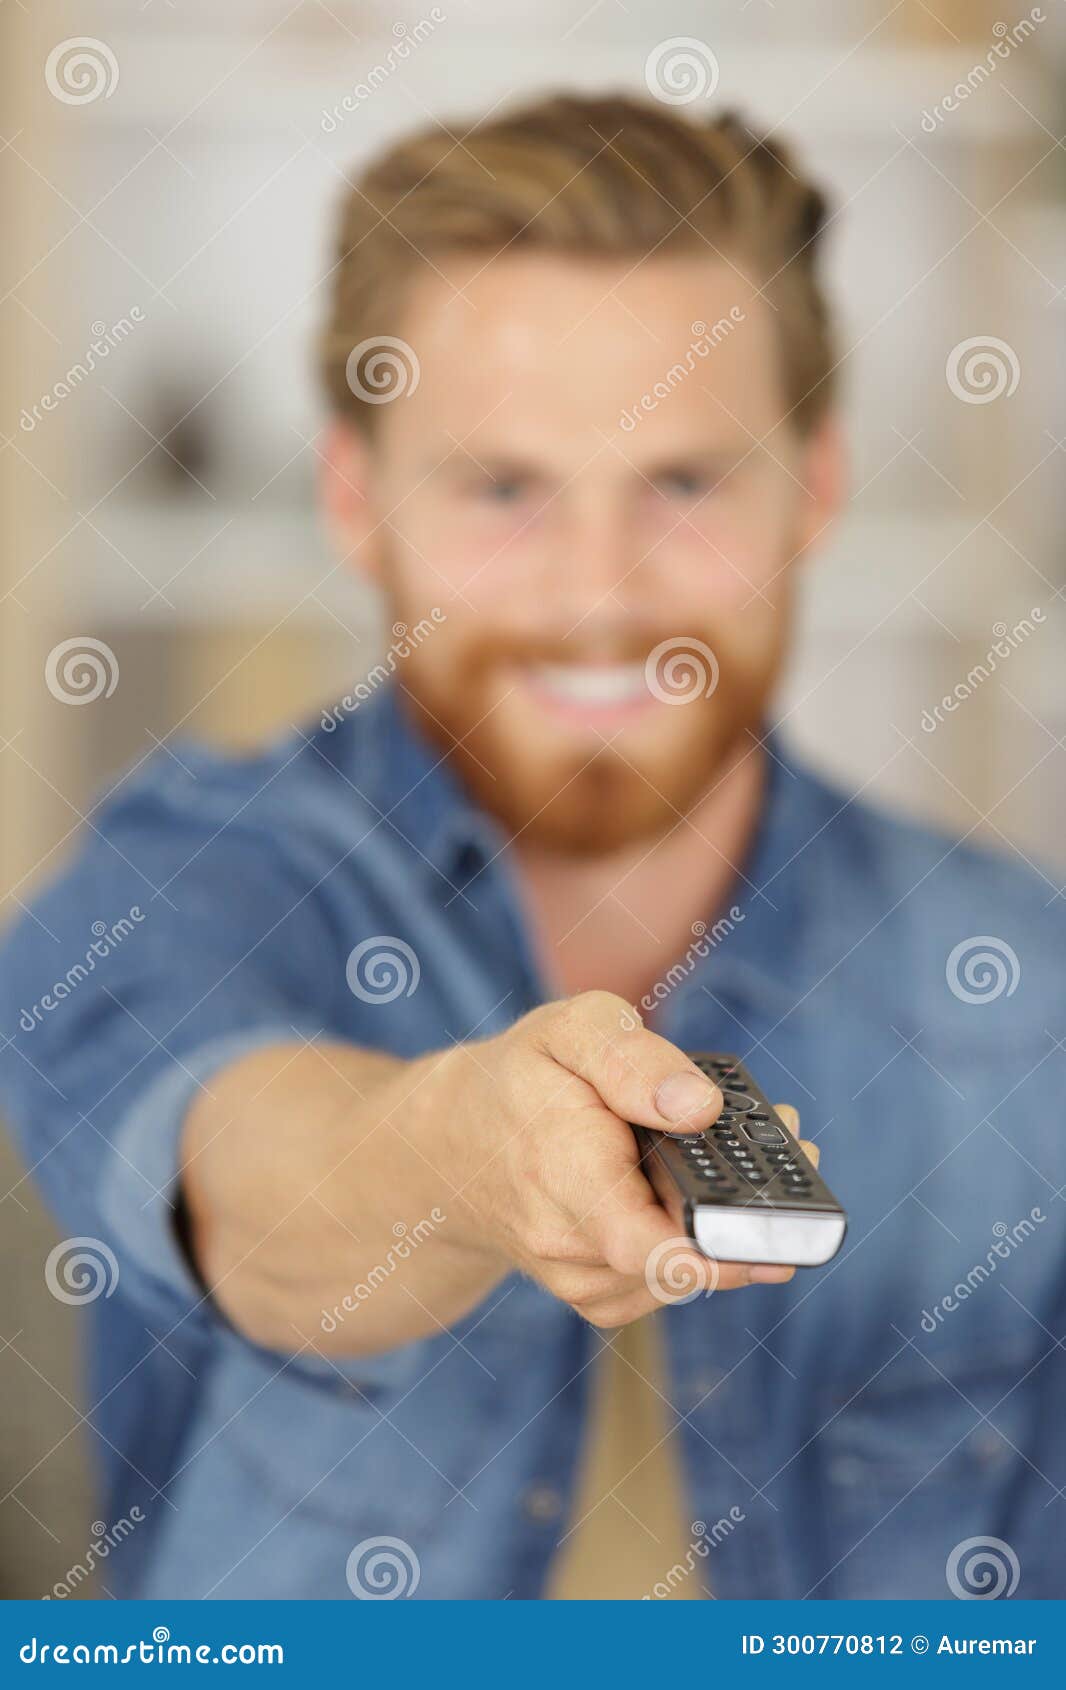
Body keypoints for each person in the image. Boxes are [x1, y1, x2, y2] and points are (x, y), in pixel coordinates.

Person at [1, 93, 1063, 1603]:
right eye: (502, 489)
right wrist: (457, 1157)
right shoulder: (174, 883)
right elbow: (245, 1179)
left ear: (811, 489)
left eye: (683, 483)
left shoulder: (1024, 982)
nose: (596, 594)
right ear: (354, 500)